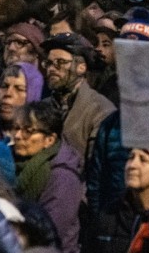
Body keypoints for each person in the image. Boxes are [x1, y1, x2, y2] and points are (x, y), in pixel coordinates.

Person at [10, 101, 82, 253]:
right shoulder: (9, 162)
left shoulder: (63, 177)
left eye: (28, 131)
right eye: (16, 128)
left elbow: (51, 229)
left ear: (49, 140)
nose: (18, 136)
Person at [40, 33, 114, 163]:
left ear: (81, 67)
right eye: (49, 63)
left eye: (60, 62)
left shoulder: (101, 110)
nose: (51, 69)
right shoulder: (41, 108)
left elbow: (98, 166)